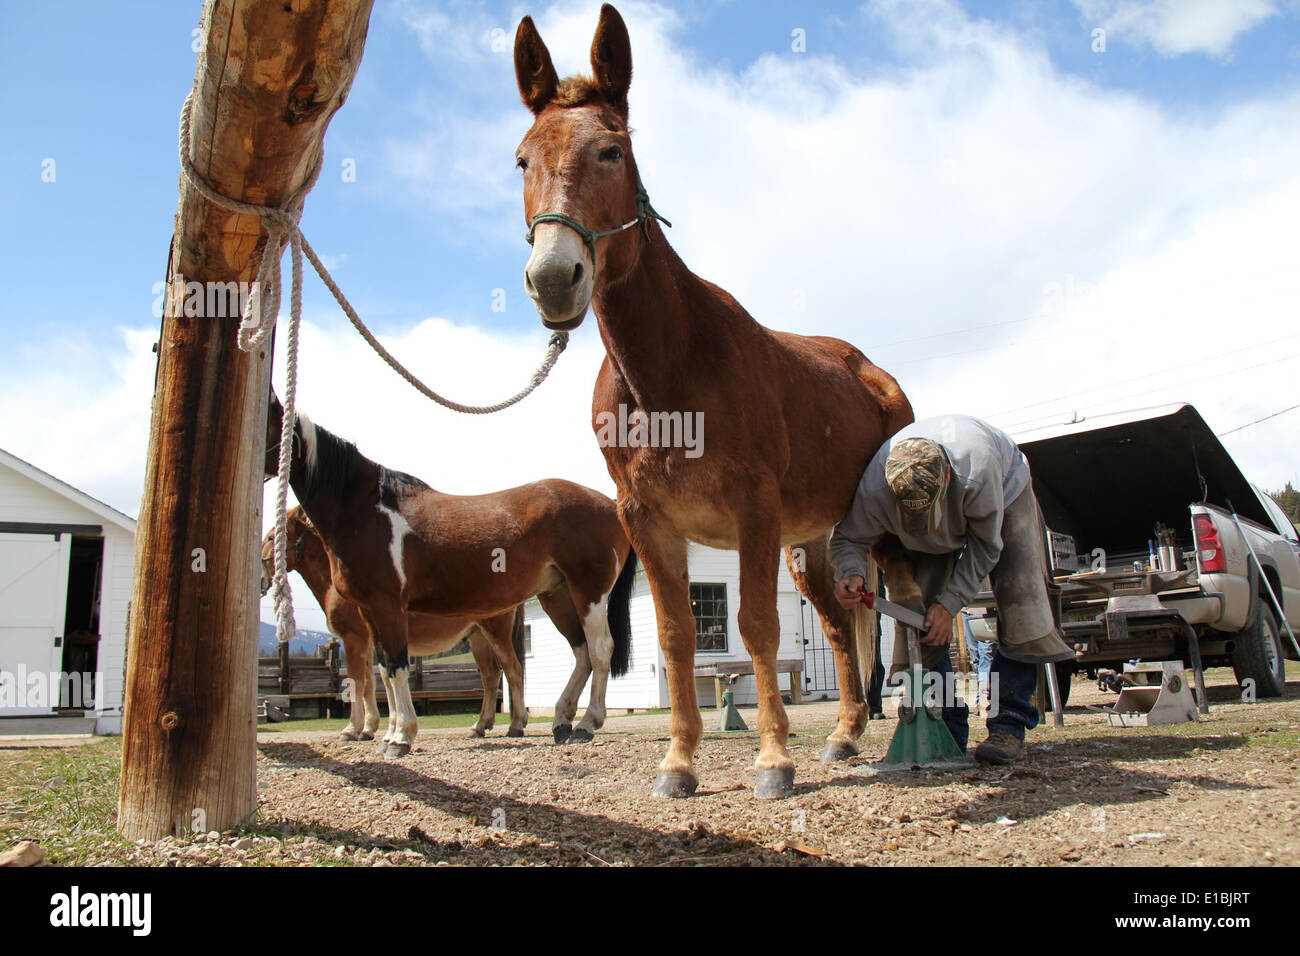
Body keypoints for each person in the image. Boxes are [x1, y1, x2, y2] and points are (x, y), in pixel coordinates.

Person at [829, 414, 1075, 764]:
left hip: (1007, 491)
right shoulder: (875, 488)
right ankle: (947, 727)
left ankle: (1009, 725)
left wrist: (950, 604)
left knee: (1023, 604)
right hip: (939, 513)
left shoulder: (979, 472)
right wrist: (851, 572)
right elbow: (848, 538)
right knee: (920, 620)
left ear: (945, 477)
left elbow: (986, 548)